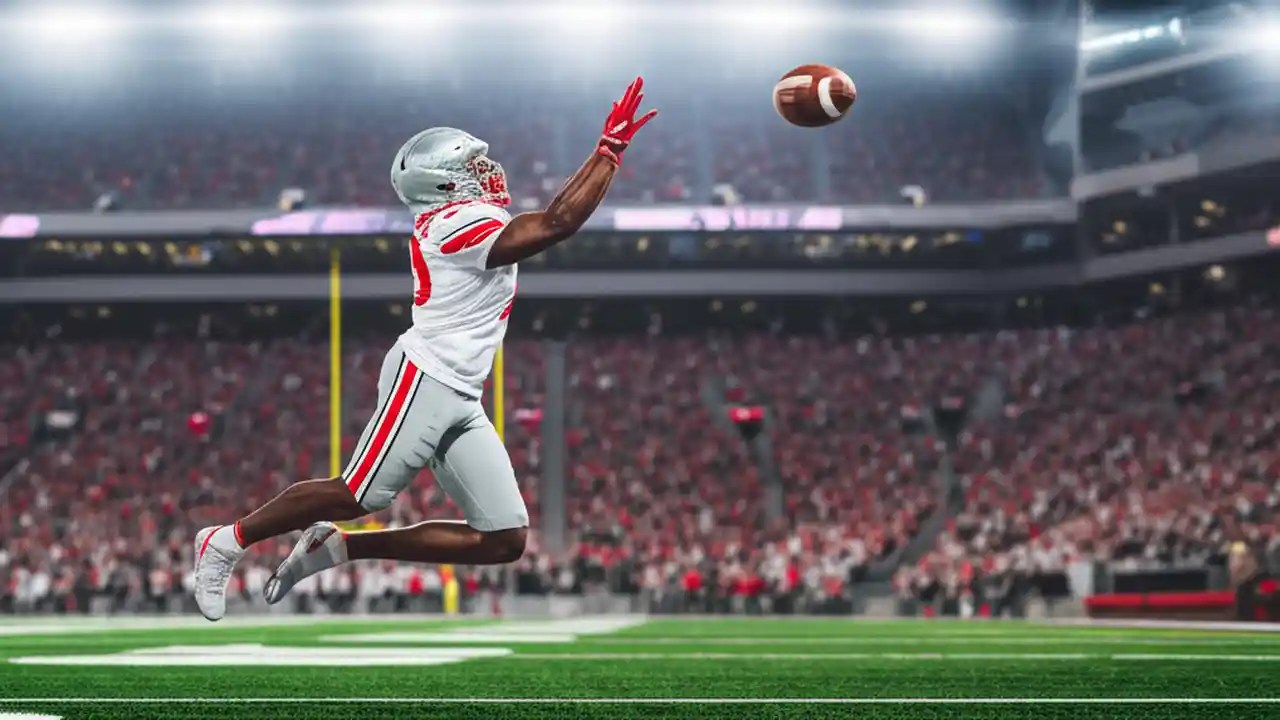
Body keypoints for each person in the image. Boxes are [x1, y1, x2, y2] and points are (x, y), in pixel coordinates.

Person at [192, 78, 657, 621]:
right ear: (441, 187)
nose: (486, 172)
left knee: (504, 539)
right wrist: (607, 153)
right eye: (468, 168)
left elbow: (550, 222)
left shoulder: (461, 217)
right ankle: (226, 540)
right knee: (358, 494)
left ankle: (338, 547)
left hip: (460, 389)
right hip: (428, 376)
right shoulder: (453, 222)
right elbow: (556, 223)